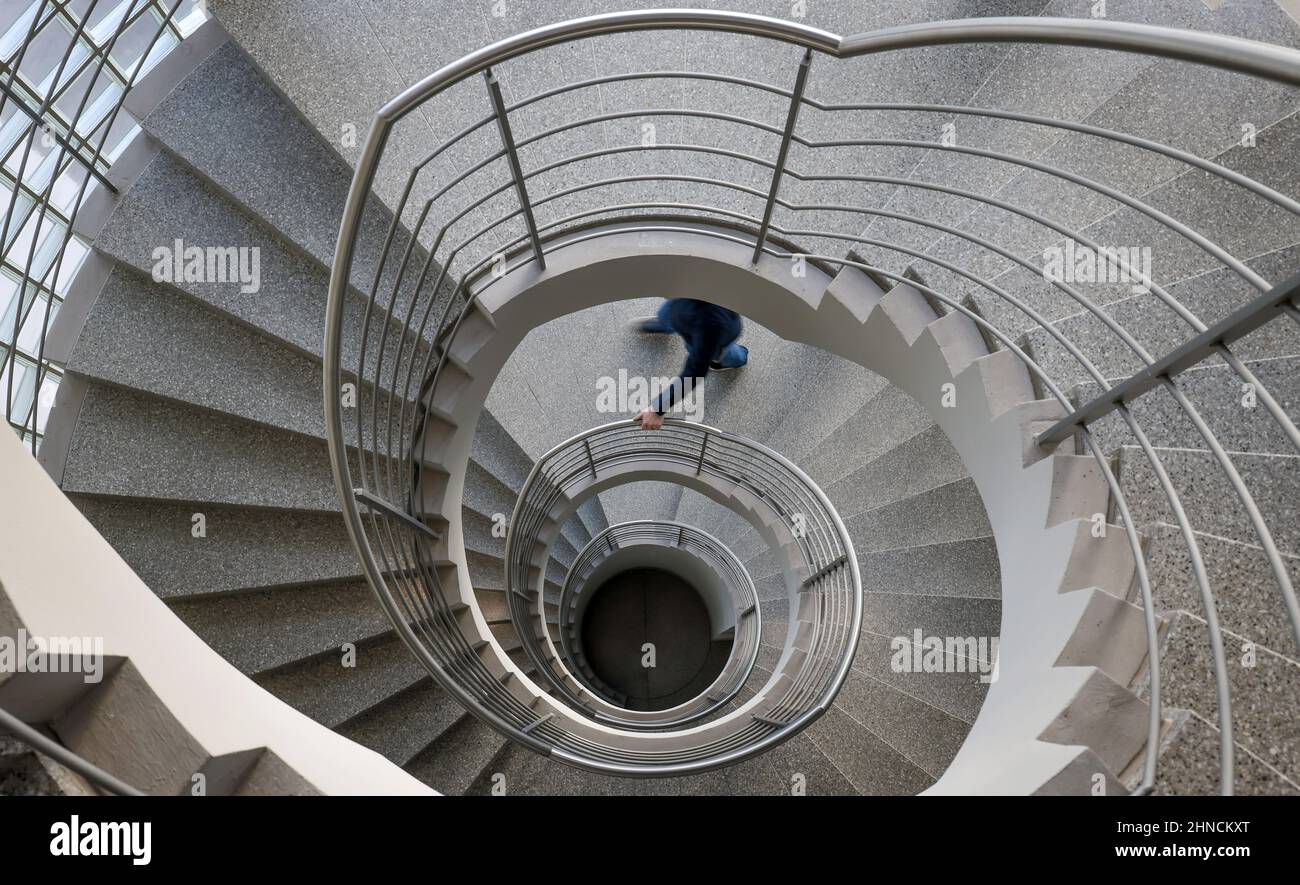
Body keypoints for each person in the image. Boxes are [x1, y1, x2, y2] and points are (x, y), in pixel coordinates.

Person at [633, 298, 749, 430]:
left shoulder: (712, 323)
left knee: (719, 353)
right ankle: (665, 323)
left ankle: (738, 358)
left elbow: (695, 371)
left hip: (703, 329)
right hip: (679, 312)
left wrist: (658, 408)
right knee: (668, 313)